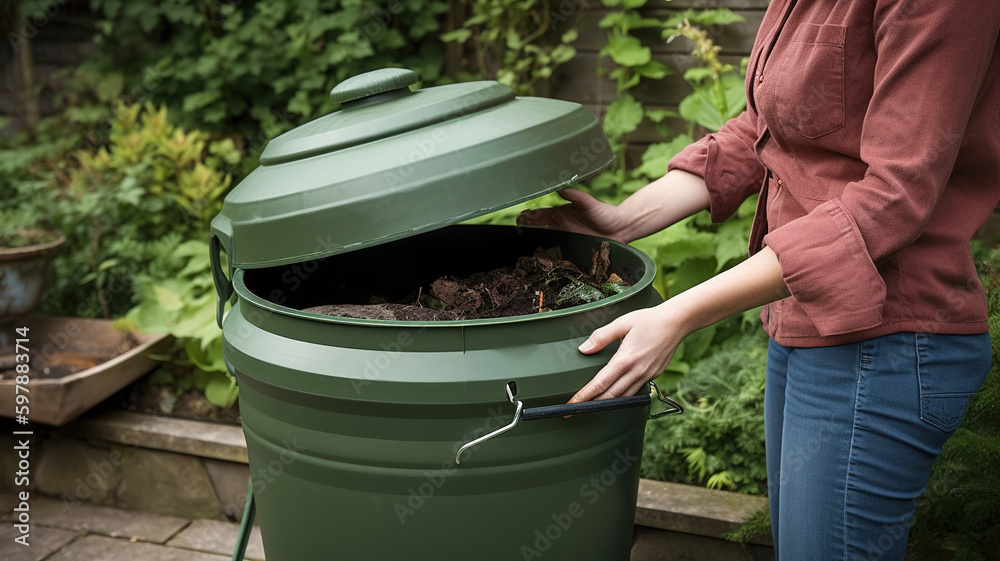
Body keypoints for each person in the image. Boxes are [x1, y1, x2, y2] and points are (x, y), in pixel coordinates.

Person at [517, 1, 1000, 559]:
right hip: (800, 321)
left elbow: (893, 196)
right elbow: (763, 129)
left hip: (887, 339)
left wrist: (679, 314)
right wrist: (627, 219)